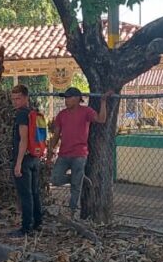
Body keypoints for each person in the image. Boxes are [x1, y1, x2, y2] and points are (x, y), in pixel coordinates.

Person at [47, 86, 114, 215]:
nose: (66, 100)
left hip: (79, 153)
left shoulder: (86, 111)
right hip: (64, 153)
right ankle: (77, 178)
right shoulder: (62, 114)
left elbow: (101, 119)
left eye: (69, 97)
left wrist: (103, 102)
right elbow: (55, 136)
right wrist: (50, 153)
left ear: (77, 99)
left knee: (75, 187)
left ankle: (71, 211)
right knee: (55, 179)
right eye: (65, 98)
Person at [9, 84, 43, 238]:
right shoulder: (33, 113)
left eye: (18, 98)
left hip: (24, 159)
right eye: (13, 99)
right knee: (34, 192)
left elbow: (23, 140)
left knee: (26, 194)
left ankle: (26, 227)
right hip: (35, 158)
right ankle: (37, 223)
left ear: (26, 98)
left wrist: (18, 163)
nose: (15, 102)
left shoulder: (22, 115)